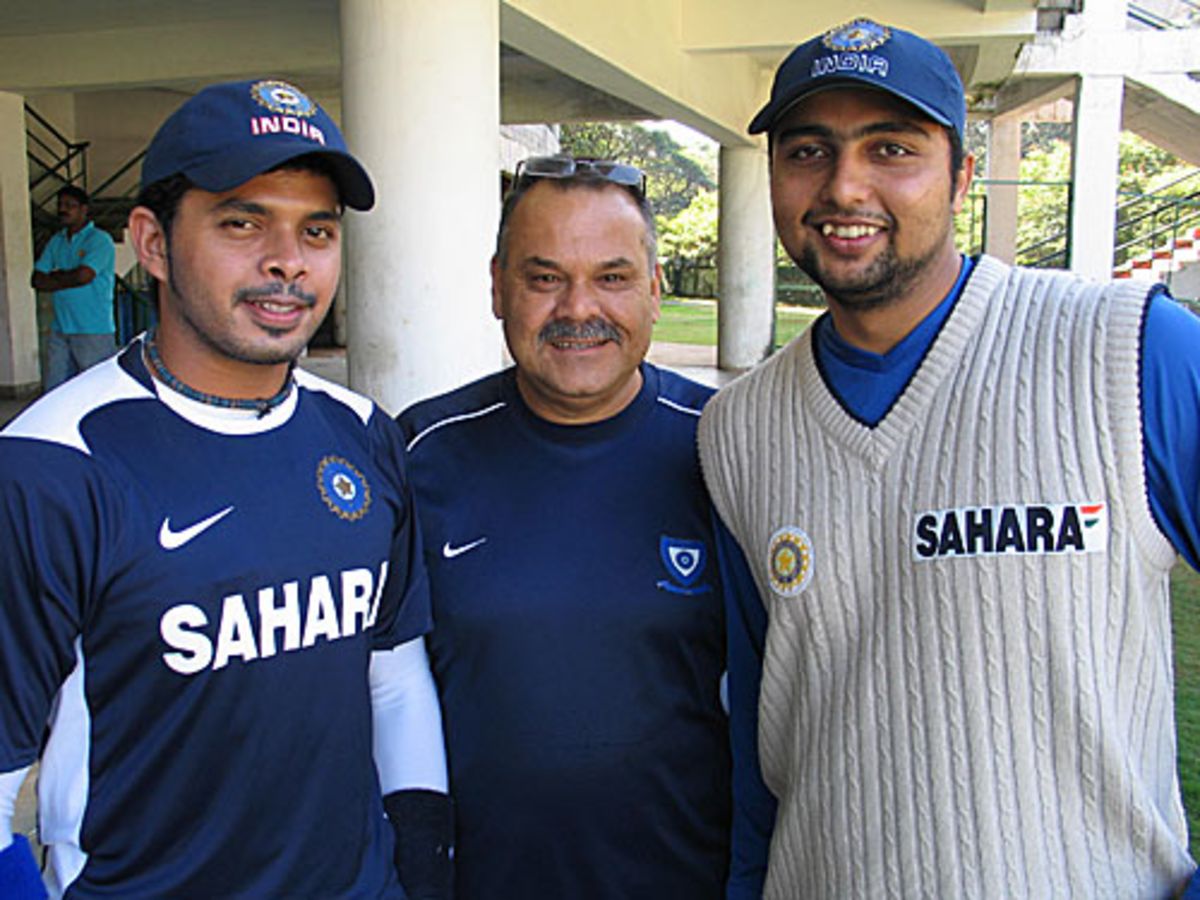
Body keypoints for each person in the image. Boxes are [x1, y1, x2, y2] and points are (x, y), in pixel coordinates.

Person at [697, 18, 1200, 899]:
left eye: (891, 148)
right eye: (808, 151)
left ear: (963, 176)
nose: (844, 186)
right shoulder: (737, 428)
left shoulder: (1128, 351)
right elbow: (761, 742)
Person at [0, 79, 452, 899]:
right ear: (152, 243)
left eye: (317, 230)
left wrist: (421, 867)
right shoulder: (46, 466)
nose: (288, 260)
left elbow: (391, 675)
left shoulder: (363, 435)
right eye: (242, 222)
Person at [396, 155, 762, 899]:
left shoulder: (728, 448)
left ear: (655, 289)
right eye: (544, 278)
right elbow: (384, 695)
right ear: (497, 287)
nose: (577, 308)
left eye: (612, 277)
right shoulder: (418, 453)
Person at [32, 186, 117, 390]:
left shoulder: (99, 240)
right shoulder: (57, 241)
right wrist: (69, 276)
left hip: (93, 328)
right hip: (61, 327)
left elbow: (84, 276)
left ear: (84, 209)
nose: (63, 210)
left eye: (70, 205)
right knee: (56, 391)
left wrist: (55, 277)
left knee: (97, 389)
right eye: (60, 205)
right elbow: (37, 280)